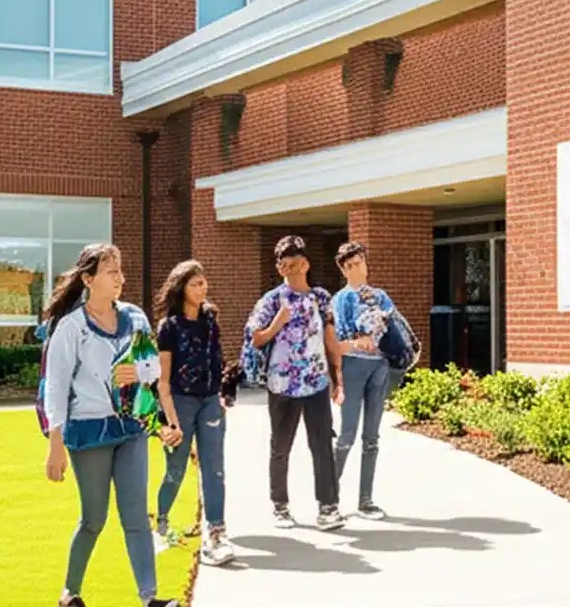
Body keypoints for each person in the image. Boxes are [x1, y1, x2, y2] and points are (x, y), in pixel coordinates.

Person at [41, 243, 182, 607]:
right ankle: (70, 593)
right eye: (110, 271)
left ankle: (150, 598)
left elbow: (153, 368)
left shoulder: (135, 318)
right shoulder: (71, 329)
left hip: (131, 428)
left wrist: (139, 371)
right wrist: (55, 444)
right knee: (94, 519)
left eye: (119, 269)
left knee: (136, 515)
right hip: (88, 432)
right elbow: (55, 387)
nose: (120, 278)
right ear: (89, 279)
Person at [241, 235, 347, 531]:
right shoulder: (272, 300)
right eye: (285, 266)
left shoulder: (321, 298)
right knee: (281, 445)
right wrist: (278, 321)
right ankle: (280, 505)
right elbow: (256, 337)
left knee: (322, 444)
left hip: (315, 382)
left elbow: (330, 337)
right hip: (282, 385)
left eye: (296, 265)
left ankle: (328, 507)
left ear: (306, 264)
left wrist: (339, 377)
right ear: (279, 268)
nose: (292, 270)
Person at [152, 259, 241, 566]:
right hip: (179, 402)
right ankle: (160, 525)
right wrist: (171, 421)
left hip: (209, 402)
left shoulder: (210, 321)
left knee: (214, 469)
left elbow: (217, 359)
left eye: (204, 283)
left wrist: (224, 390)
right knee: (175, 471)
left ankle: (216, 533)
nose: (202, 288)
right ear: (181, 288)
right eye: (195, 283)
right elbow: (162, 381)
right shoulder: (169, 327)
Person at [331, 241, 397, 520]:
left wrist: (381, 339)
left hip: (379, 368)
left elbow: (391, 326)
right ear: (343, 270)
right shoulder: (341, 299)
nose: (356, 269)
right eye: (349, 266)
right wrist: (361, 343)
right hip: (354, 368)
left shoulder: (380, 296)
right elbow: (338, 342)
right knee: (347, 435)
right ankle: (329, 498)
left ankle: (366, 499)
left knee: (372, 437)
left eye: (359, 262)